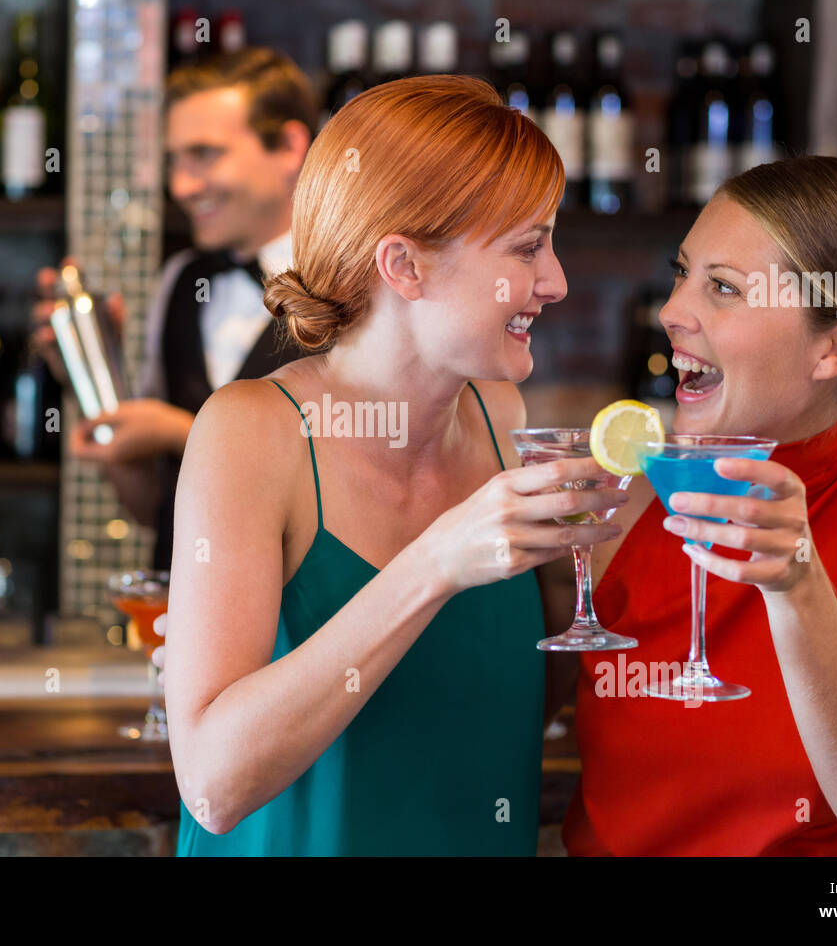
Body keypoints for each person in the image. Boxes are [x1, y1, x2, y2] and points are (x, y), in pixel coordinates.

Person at [163, 75, 624, 856]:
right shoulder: (251, 433)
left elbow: (513, 701)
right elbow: (213, 785)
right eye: (527, 247)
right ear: (404, 266)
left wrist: (589, 573)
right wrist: (437, 562)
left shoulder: (501, 417)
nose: (556, 282)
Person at [563, 155, 837, 855]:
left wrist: (797, 585)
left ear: (836, 346)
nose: (672, 311)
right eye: (682, 273)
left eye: (723, 288)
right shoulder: (627, 486)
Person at [33, 47, 316, 569]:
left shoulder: (355, 286)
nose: (181, 186)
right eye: (173, 160)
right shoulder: (181, 280)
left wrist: (178, 431)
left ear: (289, 148)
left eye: (204, 155)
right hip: (180, 619)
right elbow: (150, 509)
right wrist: (95, 379)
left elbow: (359, 484)